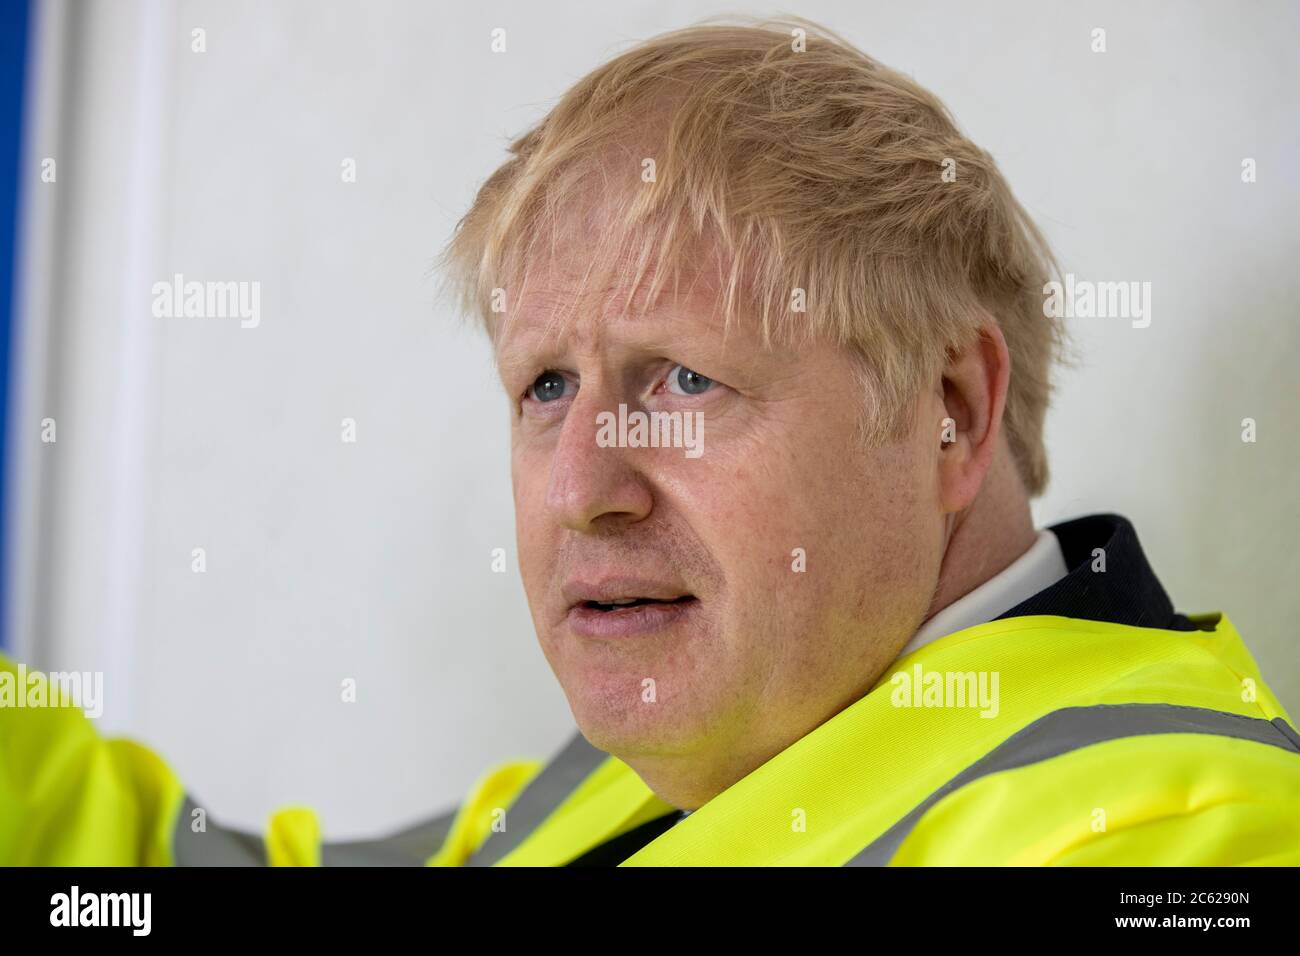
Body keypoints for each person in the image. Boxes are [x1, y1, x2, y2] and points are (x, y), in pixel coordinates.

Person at [2, 17, 1297, 866]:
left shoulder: (1182, 839)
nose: (578, 492)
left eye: (680, 379)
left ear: (949, 410)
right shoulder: (634, 781)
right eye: (546, 388)